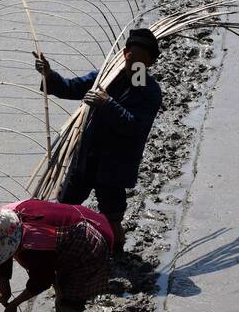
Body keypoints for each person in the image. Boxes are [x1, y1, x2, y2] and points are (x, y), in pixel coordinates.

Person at [34, 26, 162, 256]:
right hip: (87, 155)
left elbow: (134, 126)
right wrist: (49, 75)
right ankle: (56, 249)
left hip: (115, 164)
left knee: (112, 215)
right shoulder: (107, 76)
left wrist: (106, 103)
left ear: (150, 64)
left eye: (142, 62)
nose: (135, 66)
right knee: (65, 205)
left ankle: (117, 253)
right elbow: (70, 87)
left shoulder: (150, 92)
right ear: (124, 54)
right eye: (132, 58)